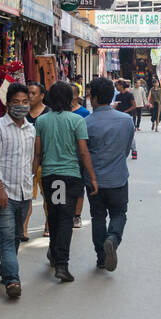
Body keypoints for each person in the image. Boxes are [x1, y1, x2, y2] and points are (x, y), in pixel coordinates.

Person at [34, 81, 99, 282]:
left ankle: (54, 254)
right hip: (70, 176)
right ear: (71, 98)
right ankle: (61, 264)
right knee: (65, 218)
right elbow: (83, 151)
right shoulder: (77, 121)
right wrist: (93, 177)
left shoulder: (42, 121)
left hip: (50, 176)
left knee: (54, 215)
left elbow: (37, 153)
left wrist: (30, 175)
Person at [0, 83, 36, 300]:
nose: (21, 106)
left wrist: (31, 183)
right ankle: (13, 280)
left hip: (24, 192)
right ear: (7, 103)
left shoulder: (31, 129)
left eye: (25, 102)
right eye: (16, 102)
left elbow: (31, 159)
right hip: (3, 192)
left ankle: (6, 269)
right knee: (7, 238)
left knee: (15, 237)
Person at [84, 77, 135, 272]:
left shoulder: (86, 123)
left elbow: (83, 153)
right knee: (119, 213)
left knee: (97, 217)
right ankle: (112, 238)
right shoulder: (126, 120)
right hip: (118, 178)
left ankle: (101, 258)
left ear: (94, 98)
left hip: (94, 180)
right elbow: (126, 149)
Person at [22, 82, 48, 241]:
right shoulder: (22, 114)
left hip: (45, 163)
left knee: (48, 197)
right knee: (26, 198)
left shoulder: (48, 114)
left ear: (42, 96)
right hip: (25, 163)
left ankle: (48, 225)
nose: (30, 96)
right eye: (28, 93)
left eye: (33, 93)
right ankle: (23, 228)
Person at [70, 86, 91, 227]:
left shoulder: (84, 113)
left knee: (79, 188)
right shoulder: (59, 112)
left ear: (77, 96)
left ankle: (77, 216)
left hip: (79, 157)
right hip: (63, 157)